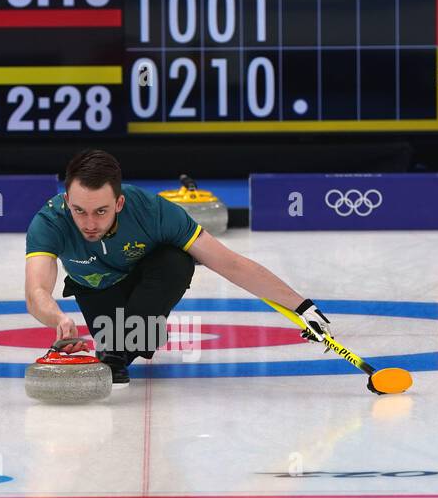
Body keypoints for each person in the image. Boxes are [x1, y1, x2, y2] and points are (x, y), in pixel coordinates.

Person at [24, 148, 330, 385]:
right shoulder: (49, 222)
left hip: (147, 286)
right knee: (123, 337)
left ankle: (122, 346)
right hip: (97, 292)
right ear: (66, 200)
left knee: (177, 260)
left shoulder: (154, 212)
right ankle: (123, 341)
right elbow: (37, 290)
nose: (89, 224)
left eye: (101, 211)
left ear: (119, 203)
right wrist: (58, 318)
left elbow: (230, 264)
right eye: (79, 211)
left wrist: (302, 307)